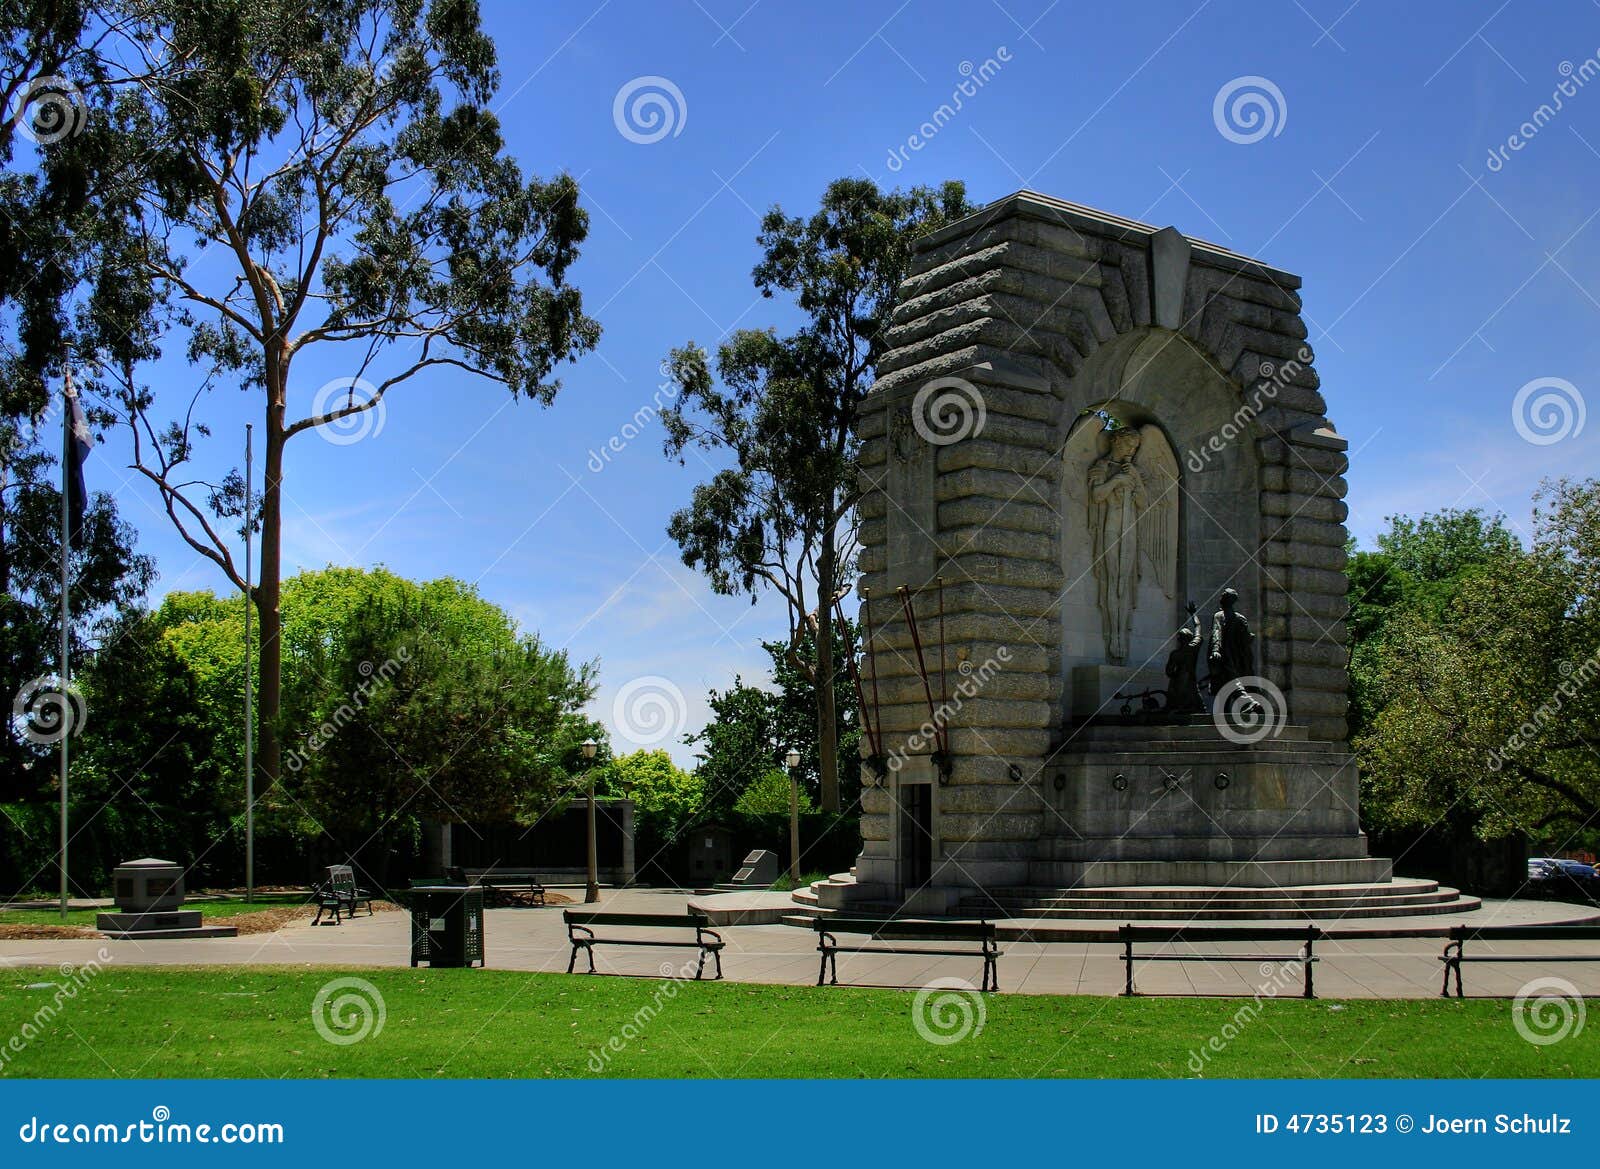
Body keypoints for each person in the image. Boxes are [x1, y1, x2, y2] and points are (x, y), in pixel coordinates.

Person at [1163, 602, 1205, 715]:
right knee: (1199, 707)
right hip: (1190, 680)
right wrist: (1193, 614)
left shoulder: (1175, 654)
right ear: (1190, 638)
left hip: (1177, 682)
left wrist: (1175, 673)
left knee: (1177, 705)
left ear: (1179, 640)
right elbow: (1198, 626)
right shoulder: (1194, 647)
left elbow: (1169, 671)